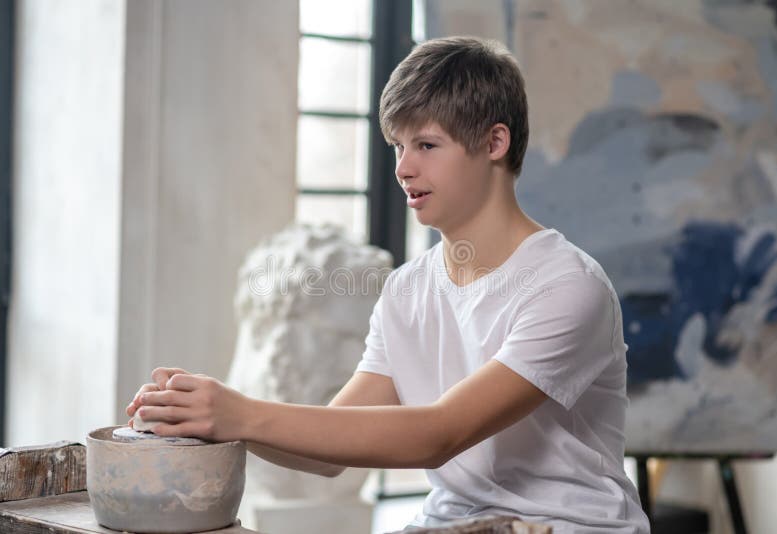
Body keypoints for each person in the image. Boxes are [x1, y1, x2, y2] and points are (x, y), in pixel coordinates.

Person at [127, 36, 650, 533]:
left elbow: (439, 434)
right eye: (398, 146)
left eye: (426, 144)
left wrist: (241, 412)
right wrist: (209, 417)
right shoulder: (406, 290)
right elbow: (326, 451)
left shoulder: (566, 286)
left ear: (495, 142)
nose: (403, 168)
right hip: (450, 524)